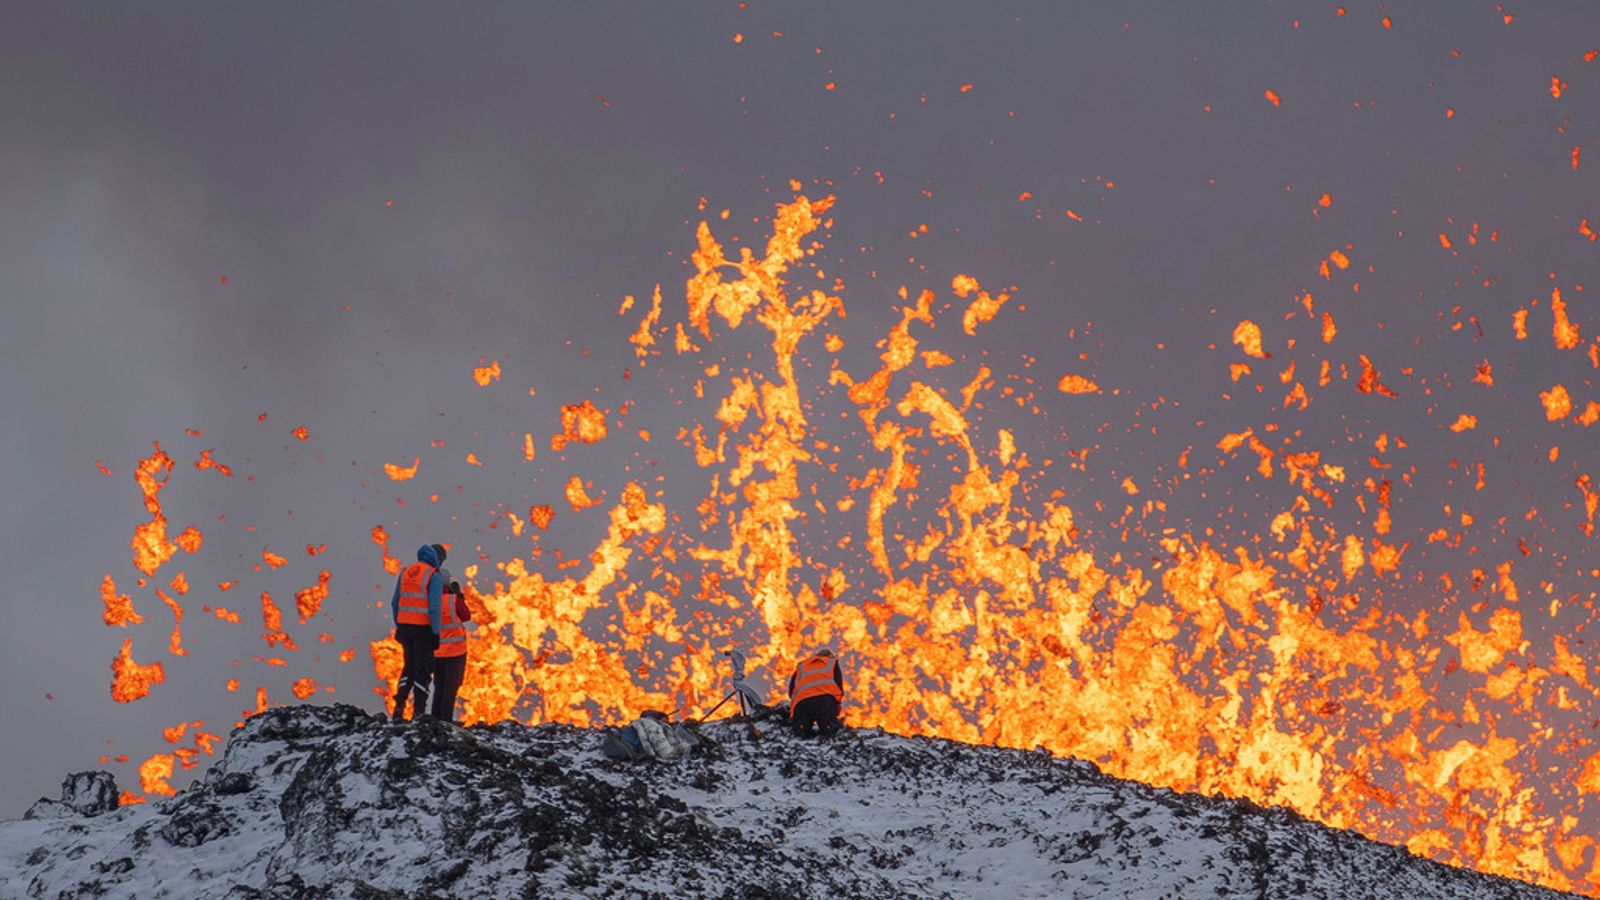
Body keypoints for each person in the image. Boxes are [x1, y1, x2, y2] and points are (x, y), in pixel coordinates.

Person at [390, 543, 447, 720]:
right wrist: (436, 632)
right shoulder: (433, 575)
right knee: (423, 669)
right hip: (423, 629)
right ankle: (419, 712)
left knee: (409, 666)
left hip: (405, 628)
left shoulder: (406, 572)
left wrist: (399, 626)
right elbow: (434, 607)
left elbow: (394, 602)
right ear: (438, 560)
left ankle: (399, 706)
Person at [430, 580, 471, 723]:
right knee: (450, 688)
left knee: (439, 686)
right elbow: (466, 616)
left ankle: (435, 719)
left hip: (437, 652)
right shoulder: (453, 600)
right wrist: (459, 597)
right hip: (455, 652)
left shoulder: (429, 600)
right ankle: (446, 720)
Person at [788, 648, 843, 738]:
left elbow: (791, 690)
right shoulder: (831, 663)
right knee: (829, 731)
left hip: (802, 703)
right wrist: (836, 707)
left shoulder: (802, 666)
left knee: (802, 732)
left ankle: (804, 731)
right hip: (825, 701)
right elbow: (838, 686)